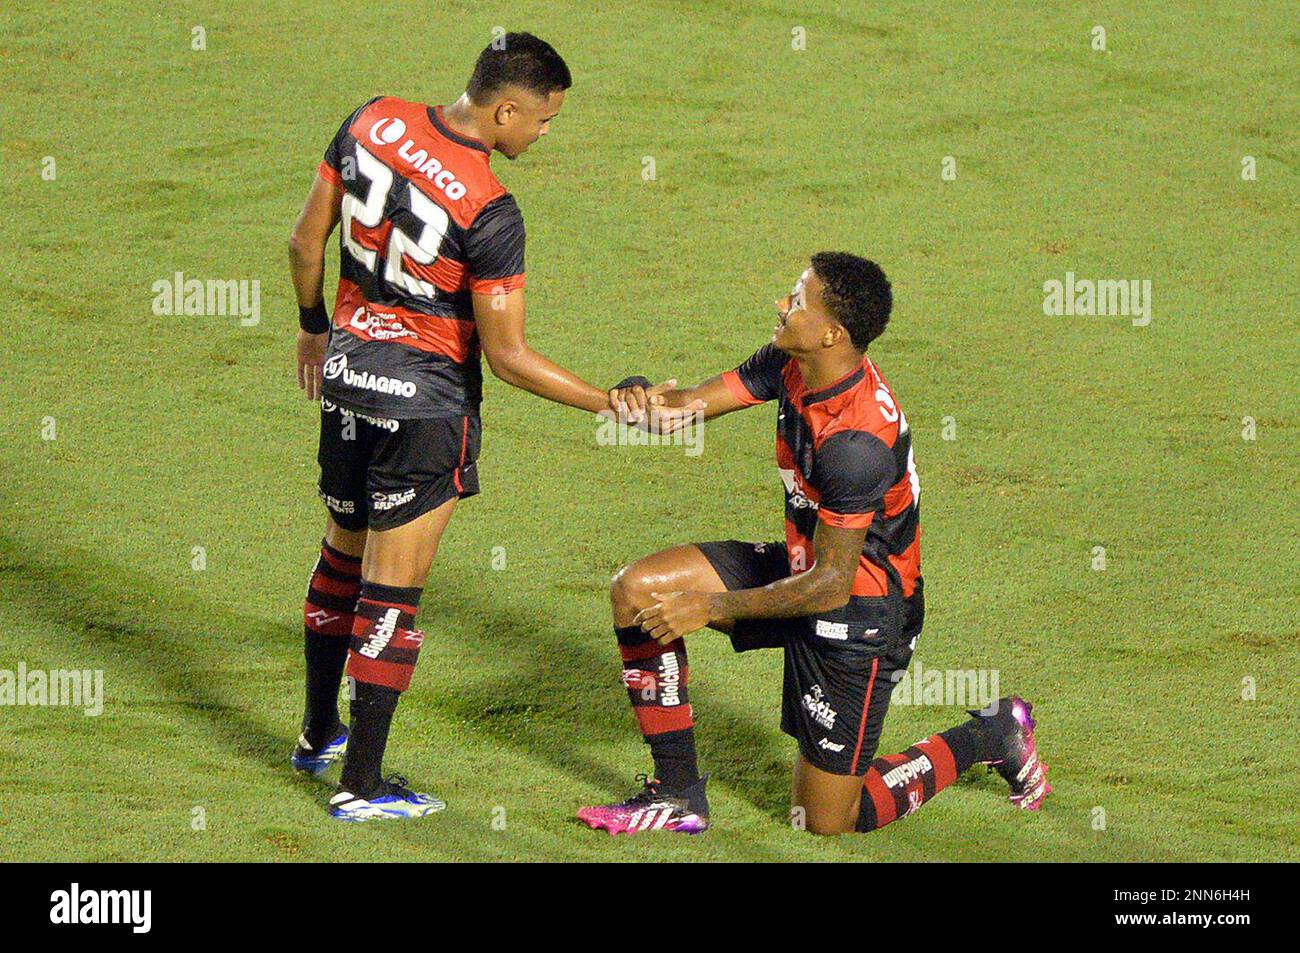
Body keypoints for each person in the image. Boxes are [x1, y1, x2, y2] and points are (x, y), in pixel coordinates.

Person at [287, 32, 699, 821]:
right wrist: (611, 400)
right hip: (423, 408)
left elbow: (307, 239)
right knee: (390, 598)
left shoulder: (371, 119)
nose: (543, 135)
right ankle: (362, 786)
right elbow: (508, 357)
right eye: (542, 120)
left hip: (345, 384)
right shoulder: (489, 206)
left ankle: (317, 732)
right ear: (504, 108)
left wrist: (313, 327)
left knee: (341, 559)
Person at [577, 252, 1050, 835]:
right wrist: (638, 399)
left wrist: (709, 607)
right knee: (638, 589)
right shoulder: (791, 362)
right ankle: (677, 795)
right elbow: (688, 407)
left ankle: (991, 733)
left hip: (861, 612)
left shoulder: (856, 443)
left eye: (797, 301)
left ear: (832, 333)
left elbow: (832, 587)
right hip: (808, 567)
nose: (782, 305)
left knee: (826, 820)